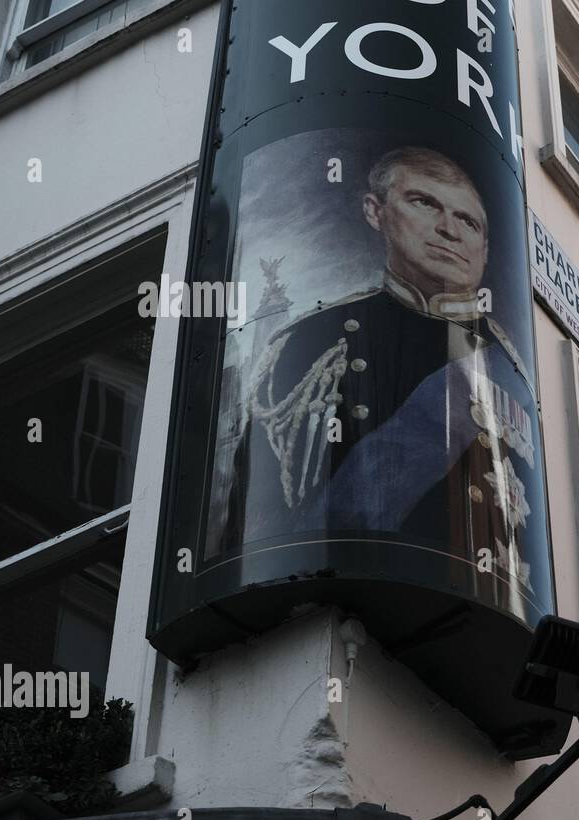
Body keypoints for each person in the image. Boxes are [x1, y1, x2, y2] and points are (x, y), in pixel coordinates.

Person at [219, 146, 537, 607]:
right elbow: (260, 523)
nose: (449, 229)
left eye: (468, 222)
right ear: (376, 211)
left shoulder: (510, 370)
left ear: (484, 249)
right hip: (339, 611)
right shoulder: (317, 337)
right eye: (424, 203)